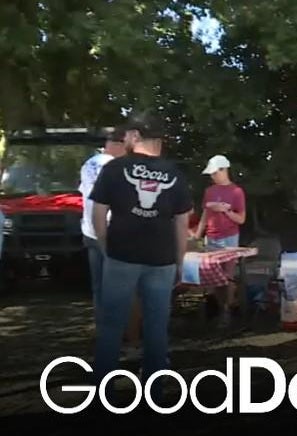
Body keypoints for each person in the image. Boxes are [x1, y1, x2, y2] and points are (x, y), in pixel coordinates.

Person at [90, 112, 193, 402]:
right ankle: (155, 390)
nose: (123, 140)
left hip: (121, 255)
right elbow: (182, 222)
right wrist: (180, 260)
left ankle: (103, 391)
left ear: (135, 136)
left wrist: (105, 246)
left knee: (111, 324)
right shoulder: (174, 173)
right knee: (157, 325)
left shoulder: (114, 168)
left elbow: (98, 213)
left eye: (126, 135)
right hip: (161, 259)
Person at [79, 127, 144, 358]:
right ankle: (132, 340)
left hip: (90, 231)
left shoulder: (88, 165)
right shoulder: (120, 167)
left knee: (99, 289)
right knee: (127, 287)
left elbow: (85, 196)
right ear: (118, 144)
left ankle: (106, 338)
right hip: (115, 232)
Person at [194, 155, 246, 325]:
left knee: (228, 275)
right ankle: (216, 308)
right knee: (212, 275)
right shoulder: (209, 191)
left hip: (230, 236)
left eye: (215, 173)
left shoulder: (236, 191)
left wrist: (226, 211)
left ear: (224, 170)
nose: (213, 177)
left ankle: (228, 310)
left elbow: (241, 219)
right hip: (212, 236)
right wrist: (198, 234)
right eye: (211, 174)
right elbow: (205, 213)